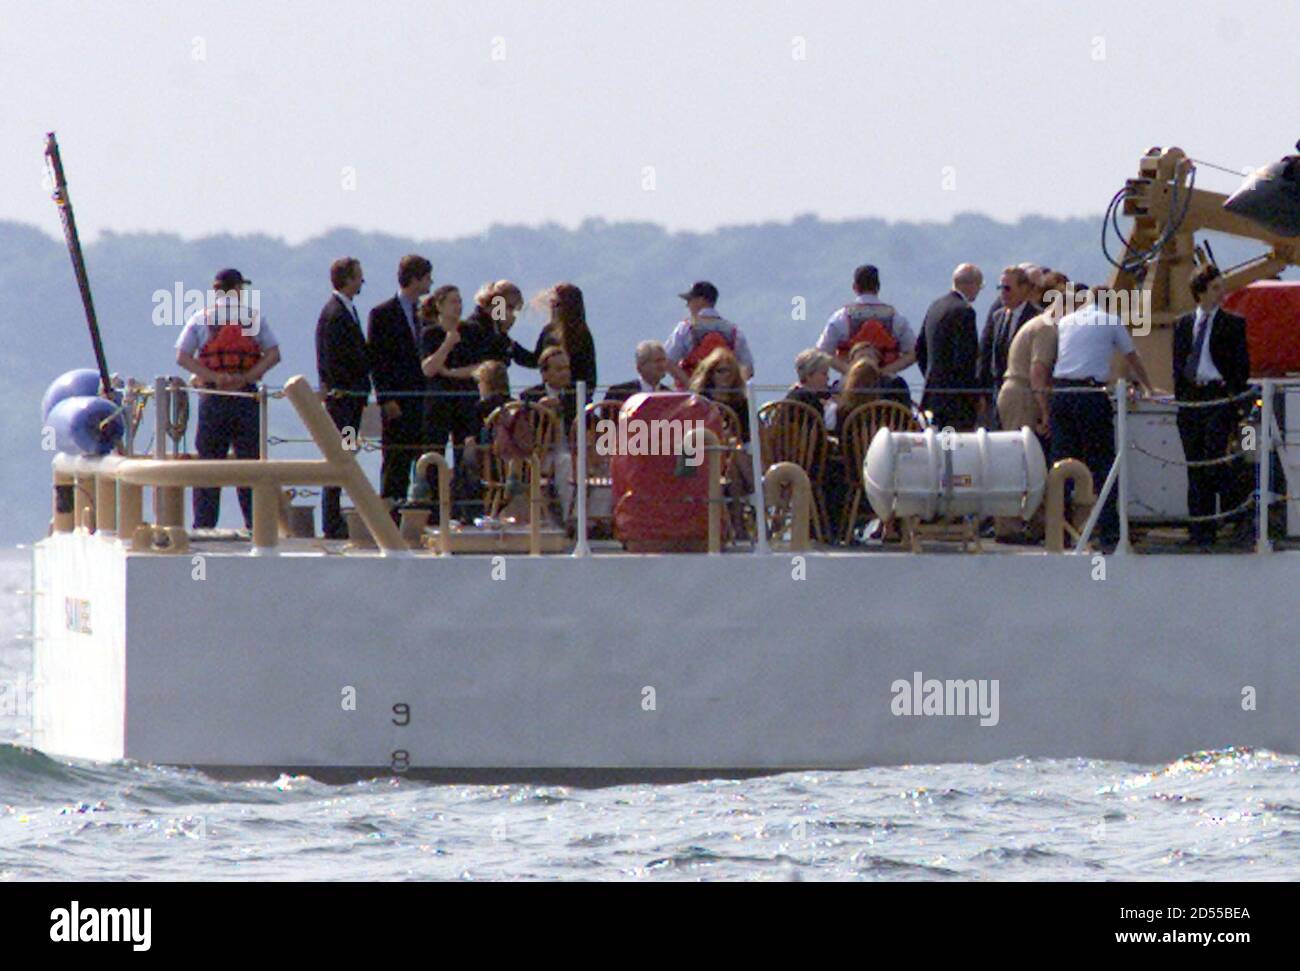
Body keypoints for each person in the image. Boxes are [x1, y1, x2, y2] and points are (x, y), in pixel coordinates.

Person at [176, 268, 281, 530]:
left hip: (213, 396)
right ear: (236, 290)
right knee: (249, 465)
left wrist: (212, 376)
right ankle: (255, 527)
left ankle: (204, 527)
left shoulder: (201, 318)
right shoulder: (252, 318)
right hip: (245, 397)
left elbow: (182, 356)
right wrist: (248, 376)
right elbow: (273, 354)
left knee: (209, 464)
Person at [1051, 287, 1155, 550]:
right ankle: (1110, 532)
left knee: (1062, 465)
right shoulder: (1110, 321)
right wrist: (1149, 387)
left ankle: (1057, 532)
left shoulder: (1065, 321)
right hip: (1089, 394)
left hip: (1061, 394)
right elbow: (1132, 356)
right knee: (1103, 464)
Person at [1172, 265, 1253, 547]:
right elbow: (1178, 366)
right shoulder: (1183, 325)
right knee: (1194, 466)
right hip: (1191, 402)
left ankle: (1237, 514)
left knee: (1214, 462)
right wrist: (1181, 400)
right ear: (1201, 292)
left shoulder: (1233, 324)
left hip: (1218, 399)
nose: (1222, 293)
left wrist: (1234, 399)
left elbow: (1241, 368)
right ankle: (1201, 530)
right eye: (1216, 288)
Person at [367, 254, 432, 507]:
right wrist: (386, 398)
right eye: (427, 278)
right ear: (415, 279)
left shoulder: (424, 314)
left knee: (423, 455)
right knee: (396, 457)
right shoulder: (382, 314)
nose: (430, 283)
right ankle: (390, 509)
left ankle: (420, 511)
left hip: (421, 397)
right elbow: (378, 360)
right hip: (398, 399)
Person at [315, 257, 371, 538]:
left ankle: (336, 515)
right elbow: (334, 360)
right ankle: (332, 519)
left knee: (346, 454)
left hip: (351, 402)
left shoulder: (344, 310)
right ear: (348, 279)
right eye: (359, 276)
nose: (362, 281)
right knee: (341, 456)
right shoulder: (335, 314)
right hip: (344, 404)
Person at [816, 264, 917, 377]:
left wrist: (850, 371)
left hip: (849, 387)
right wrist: (885, 371)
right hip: (887, 386)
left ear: (854, 287)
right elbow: (913, 353)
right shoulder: (896, 318)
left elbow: (822, 352)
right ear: (878, 287)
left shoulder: (840, 317)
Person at [916, 264, 983, 431]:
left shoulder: (935, 306)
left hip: (933, 394)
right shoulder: (965, 311)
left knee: (940, 446)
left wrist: (933, 375)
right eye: (979, 287)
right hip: (958, 399)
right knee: (957, 449)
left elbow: (919, 348)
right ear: (972, 285)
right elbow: (966, 359)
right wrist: (975, 395)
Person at [665, 281, 754, 386]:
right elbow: (747, 367)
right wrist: (734, 389)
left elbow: (667, 361)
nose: (687, 305)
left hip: (693, 399)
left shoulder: (685, 328)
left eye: (689, 300)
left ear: (701, 300)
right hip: (725, 397)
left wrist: (690, 385)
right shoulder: (734, 331)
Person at [976, 265, 1034, 405]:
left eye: (1007, 288)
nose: (1003, 293)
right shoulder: (997, 317)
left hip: (1024, 394)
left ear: (1023, 289)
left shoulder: (1035, 318)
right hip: (997, 393)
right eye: (1000, 288)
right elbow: (986, 354)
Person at [529, 283, 597, 390]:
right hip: (549, 394)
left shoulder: (582, 336)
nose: (552, 309)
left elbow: (589, 376)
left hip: (574, 396)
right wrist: (512, 346)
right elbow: (535, 360)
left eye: (557, 305)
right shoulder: (548, 331)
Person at [471, 279, 539, 368]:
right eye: (509, 307)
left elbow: (534, 361)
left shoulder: (502, 339)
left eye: (516, 311)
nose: (512, 316)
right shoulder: (469, 329)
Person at [605, 340, 671, 403]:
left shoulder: (670, 395)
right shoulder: (617, 393)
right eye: (657, 361)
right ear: (640, 367)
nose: (662, 365)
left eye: (664, 360)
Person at [786, 348, 835, 422]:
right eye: (824, 374)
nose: (828, 378)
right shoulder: (800, 400)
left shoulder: (826, 394)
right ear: (809, 375)